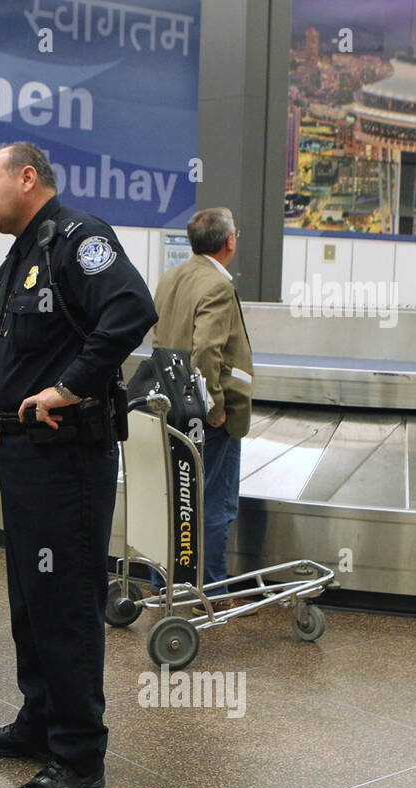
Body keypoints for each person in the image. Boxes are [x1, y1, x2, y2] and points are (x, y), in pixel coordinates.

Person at [0, 142, 158, 788]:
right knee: (29, 597)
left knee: (66, 604)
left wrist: (71, 388)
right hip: (21, 459)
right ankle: (39, 719)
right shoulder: (20, 257)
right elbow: (11, 345)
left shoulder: (82, 240)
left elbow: (131, 311)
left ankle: (78, 754)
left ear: (27, 178)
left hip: (68, 460)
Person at [151, 208, 253, 608]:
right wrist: (214, 408)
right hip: (207, 416)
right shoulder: (218, 285)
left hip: (172, 408)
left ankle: (164, 581)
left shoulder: (171, 278)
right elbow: (206, 351)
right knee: (213, 502)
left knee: (175, 496)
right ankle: (211, 589)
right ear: (229, 242)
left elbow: (161, 341)